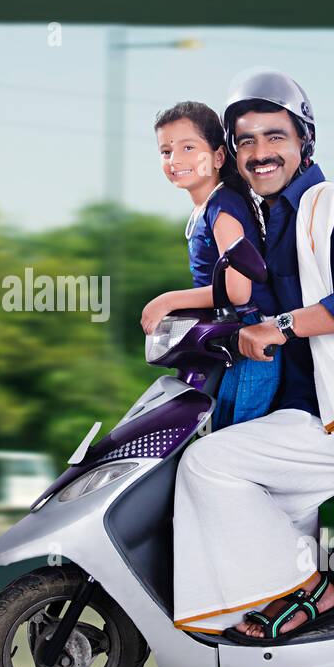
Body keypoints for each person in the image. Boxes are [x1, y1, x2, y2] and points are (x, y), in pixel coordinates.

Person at [171, 68, 334, 641]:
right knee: (256, 497)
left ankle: (308, 591)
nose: (260, 152)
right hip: (296, 407)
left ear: (304, 142)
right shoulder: (268, 217)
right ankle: (282, 615)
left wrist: (284, 326)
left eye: (275, 136)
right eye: (246, 140)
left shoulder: (329, 206)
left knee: (208, 464)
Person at [140, 102, 279, 427]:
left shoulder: (224, 206)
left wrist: (169, 300)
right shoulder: (209, 206)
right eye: (165, 151)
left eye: (188, 147)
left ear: (218, 157)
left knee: (233, 447)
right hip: (229, 339)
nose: (175, 159)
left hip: (248, 343)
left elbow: (238, 289)